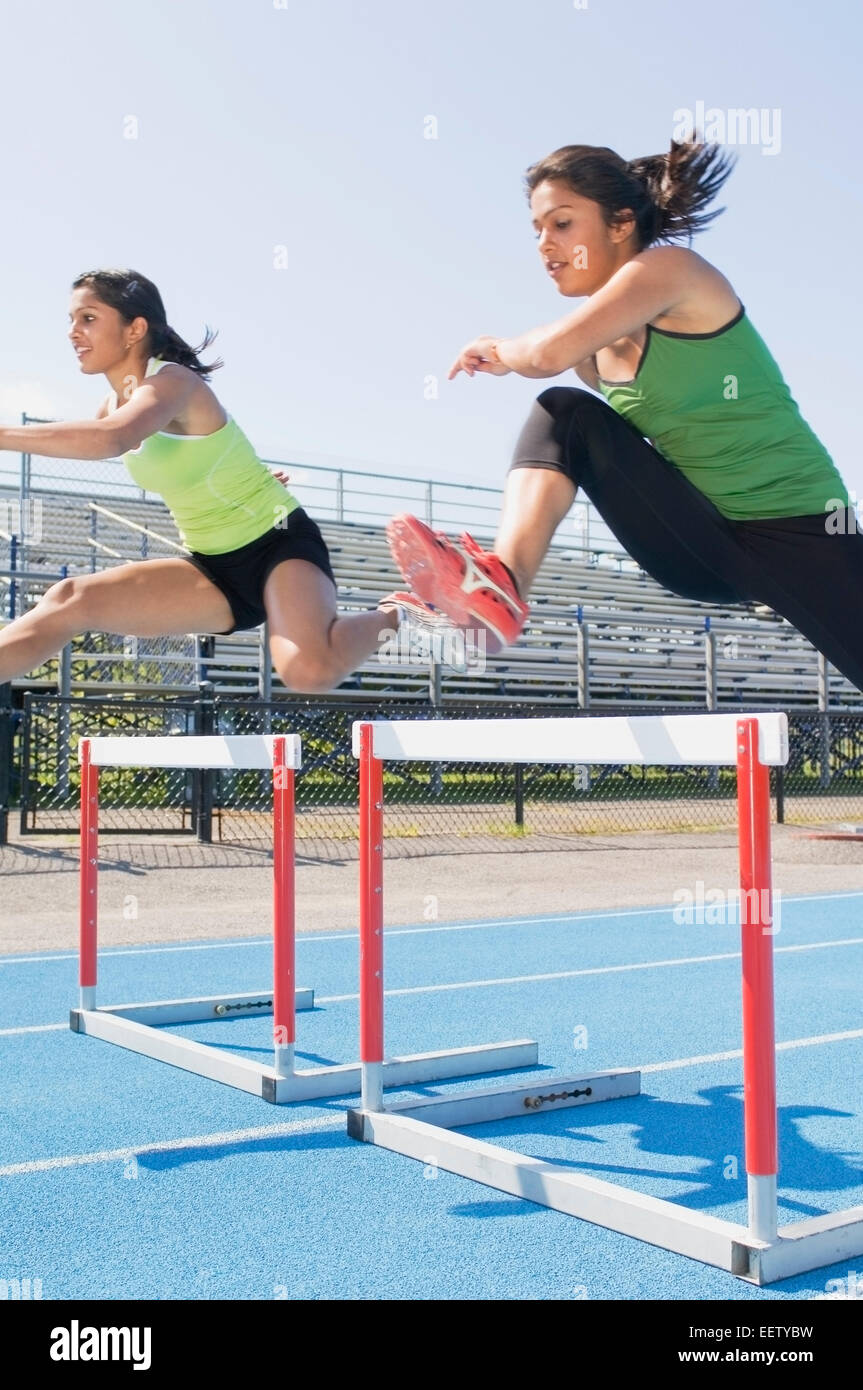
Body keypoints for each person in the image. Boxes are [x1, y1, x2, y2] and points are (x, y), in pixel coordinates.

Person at [386, 137, 863, 692]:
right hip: (700, 543)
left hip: (808, 535)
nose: (545, 245)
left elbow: (543, 353)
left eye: (562, 224)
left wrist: (500, 348)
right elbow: (554, 349)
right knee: (565, 414)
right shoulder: (594, 354)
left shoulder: (674, 270)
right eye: (537, 230)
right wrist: (514, 347)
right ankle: (503, 587)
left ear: (619, 224)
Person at [0, 269, 443, 692]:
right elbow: (108, 438)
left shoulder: (172, 382)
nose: (73, 332)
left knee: (308, 671)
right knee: (68, 599)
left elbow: (113, 438)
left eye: (88, 318)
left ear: (135, 329)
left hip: (278, 545)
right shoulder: (109, 406)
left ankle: (396, 615)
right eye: (72, 320)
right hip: (212, 569)